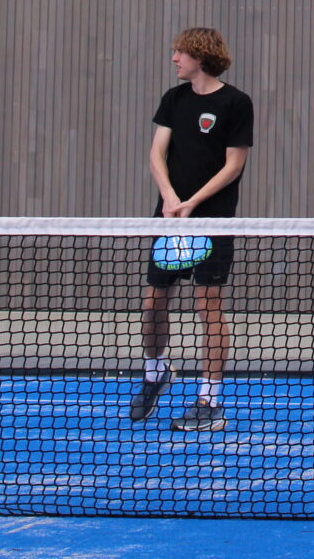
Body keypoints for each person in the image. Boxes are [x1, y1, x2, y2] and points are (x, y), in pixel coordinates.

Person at [130, 27, 253, 431]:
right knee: (153, 303)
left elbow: (234, 164)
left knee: (207, 306)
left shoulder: (236, 103)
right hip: (170, 220)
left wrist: (193, 203)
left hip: (212, 220)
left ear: (199, 56)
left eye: (179, 52)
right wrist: (168, 197)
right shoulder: (174, 99)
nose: (174, 59)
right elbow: (156, 152)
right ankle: (155, 373)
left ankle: (210, 400)